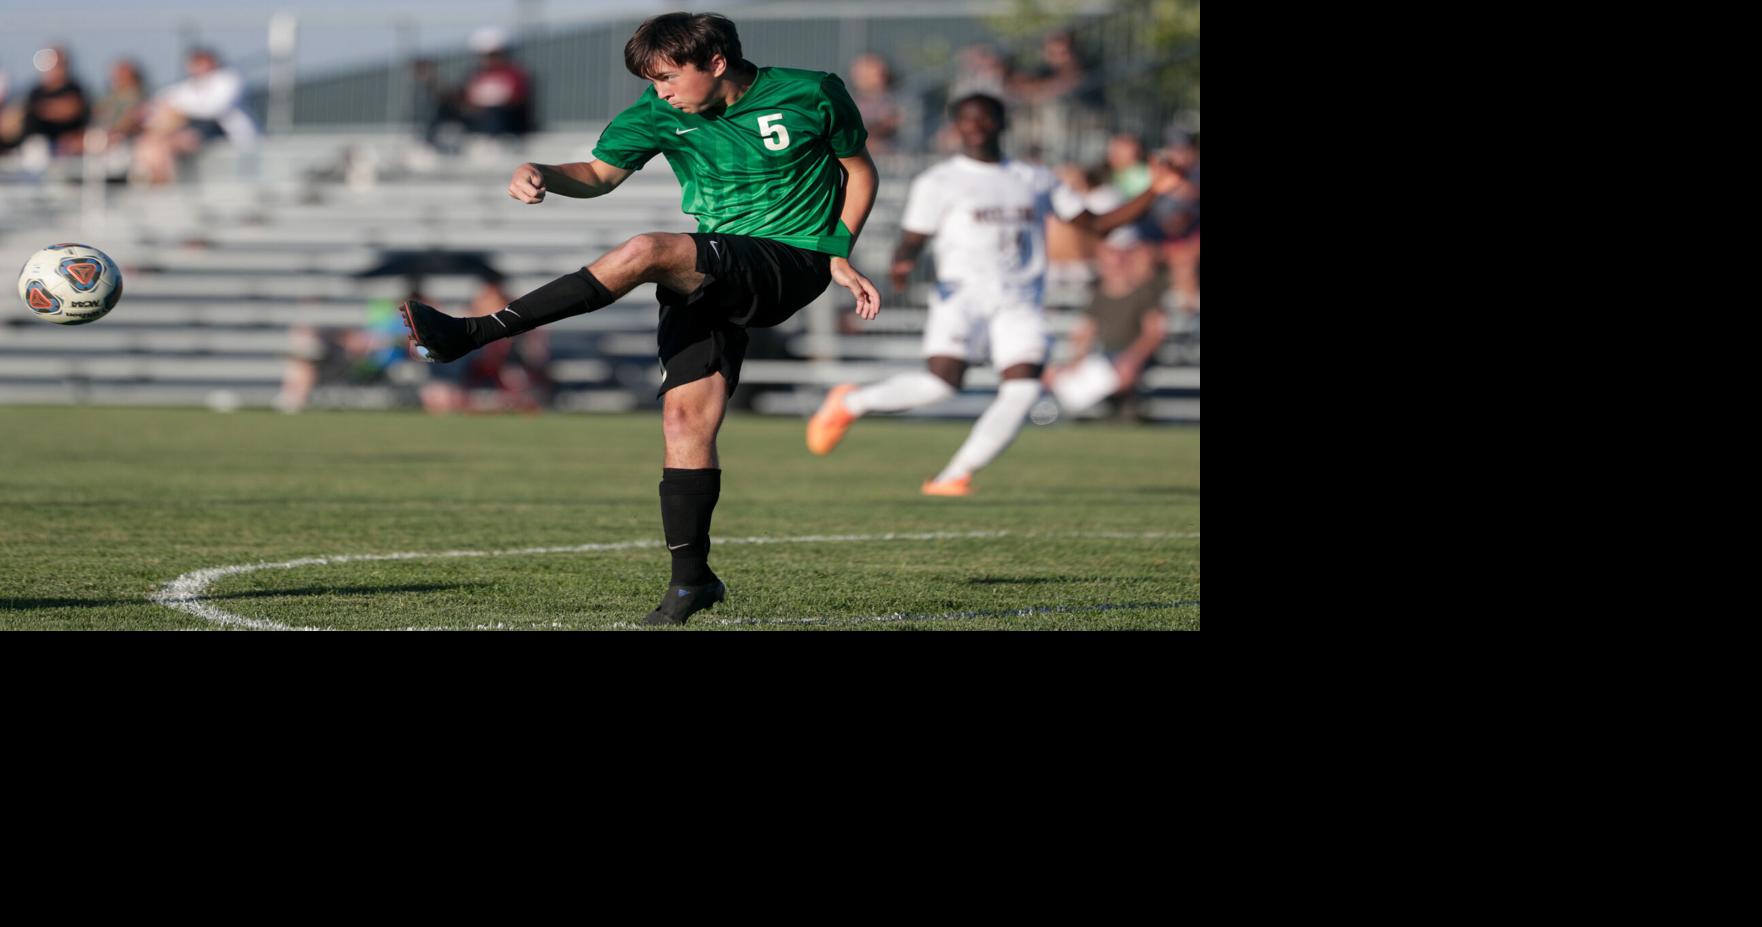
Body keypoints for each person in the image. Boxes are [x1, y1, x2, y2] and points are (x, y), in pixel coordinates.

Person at [396, 12, 881, 625]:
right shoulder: (658, 113)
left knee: (648, 249)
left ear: (716, 62)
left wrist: (838, 250)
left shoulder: (811, 92)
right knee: (685, 420)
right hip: (711, 268)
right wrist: (543, 172)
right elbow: (599, 176)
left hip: (789, 260)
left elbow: (860, 171)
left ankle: (472, 332)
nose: (661, 92)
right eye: (652, 81)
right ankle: (691, 582)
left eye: (669, 78)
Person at [805, 93, 1181, 495]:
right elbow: (913, 239)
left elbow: (1100, 225)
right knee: (941, 385)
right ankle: (851, 402)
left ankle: (953, 476)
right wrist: (901, 265)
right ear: (956, 128)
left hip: (1020, 301)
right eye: (967, 120)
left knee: (1024, 389)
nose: (976, 126)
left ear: (1002, 124)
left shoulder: (1035, 177)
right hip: (962, 297)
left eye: (985, 119)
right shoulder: (939, 181)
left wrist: (1155, 191)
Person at [131, 48, 258, 185]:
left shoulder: (229, 80)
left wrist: (178, 108)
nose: (198, 68)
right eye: (195, 64)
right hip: (196, 129)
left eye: (201, 63)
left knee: (167, 143)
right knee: (150, 141)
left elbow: (214, 108)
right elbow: (164, 98)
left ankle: (163, 181)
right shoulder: (190, 86)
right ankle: (151, 177)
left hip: (220, 130)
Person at [20, 47, 91, 156]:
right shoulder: (36, 91)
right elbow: (27, 112)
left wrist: (45, 109)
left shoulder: (74, 88)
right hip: (38, 146)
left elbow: (72, 109)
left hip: (70, 147)